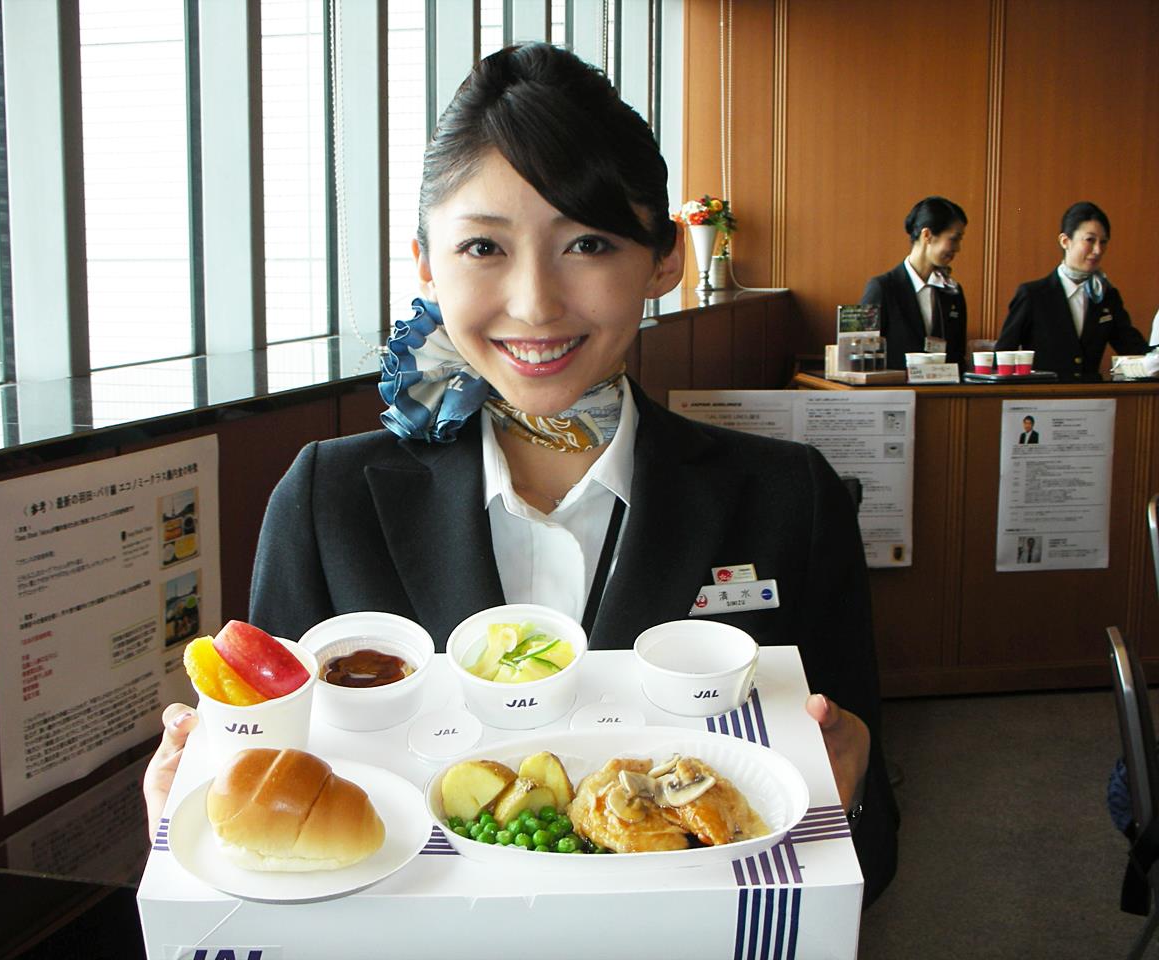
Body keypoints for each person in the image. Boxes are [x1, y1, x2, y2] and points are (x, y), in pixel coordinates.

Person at [143, 42, 898, 905]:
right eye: (483, 248)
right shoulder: (329, 501)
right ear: (425, 260)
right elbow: (284, 809)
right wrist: (196, 829)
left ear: (662, 262)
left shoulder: (789, 499)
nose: (536, 301)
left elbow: (868, 867)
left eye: (587, 242)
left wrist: (854, 785)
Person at [996, 201, 1155, 382]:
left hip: (1091, 400)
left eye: (1103, 242)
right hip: (1040, 399)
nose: (1098, 250)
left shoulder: (1106, 296)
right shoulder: (1033, 294)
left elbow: (1133, 348)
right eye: (1090, 240)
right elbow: (1003, 355)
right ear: (1065, 241)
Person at [860, 196, 968, 370]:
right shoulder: (883, 288)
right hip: (894, 393)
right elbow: (863, 354)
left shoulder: (952, 291)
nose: (958, 248)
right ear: (927, 235)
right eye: (954, 239)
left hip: (942, 392)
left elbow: (957, 354)